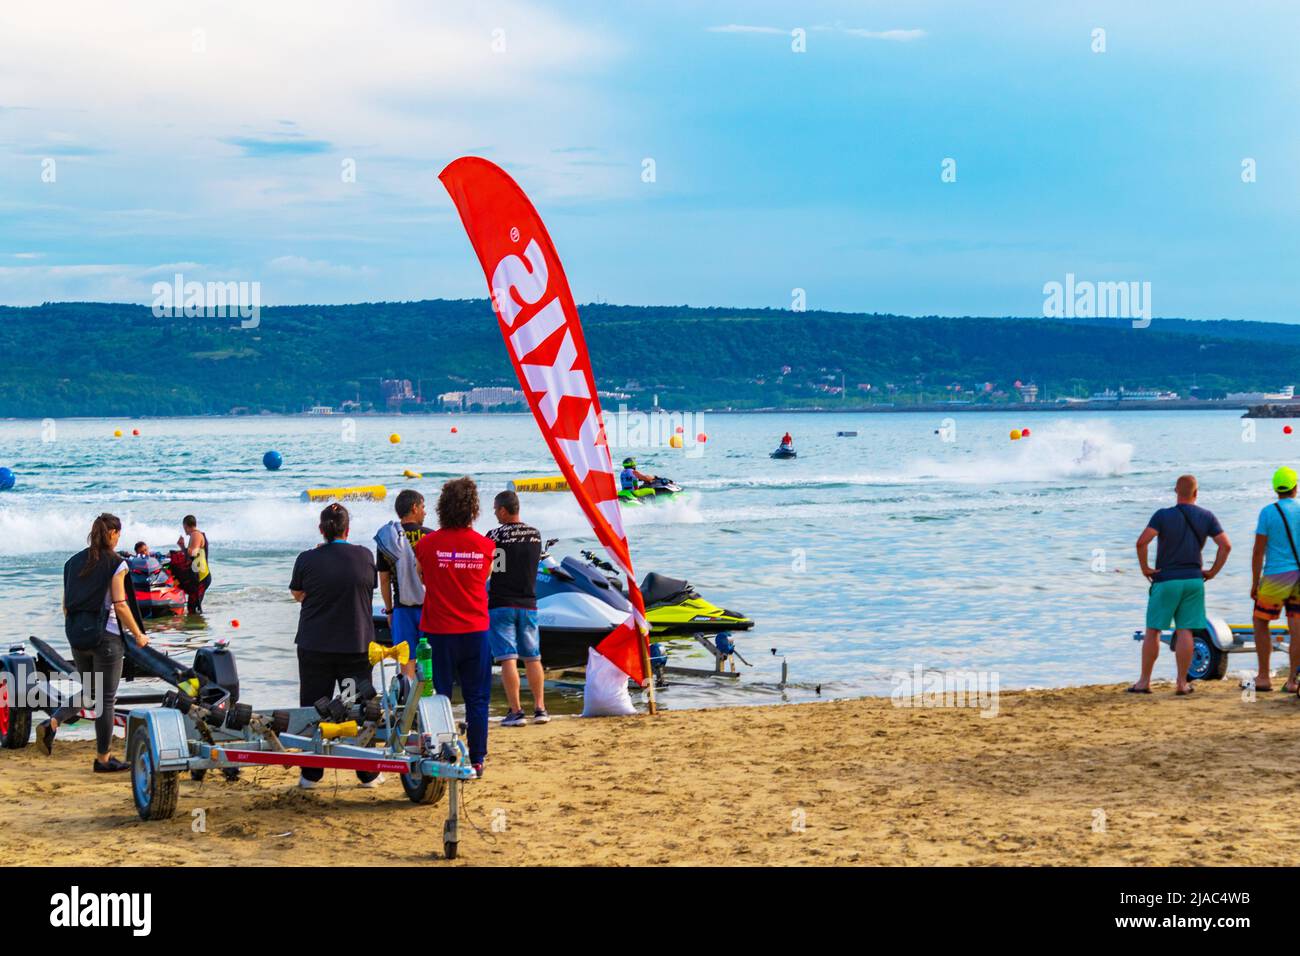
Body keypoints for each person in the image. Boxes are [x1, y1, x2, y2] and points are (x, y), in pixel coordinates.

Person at [38, 513, 150, 771]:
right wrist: (138, 634)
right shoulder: (116, 563)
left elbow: (66, 607)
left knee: (90, 692)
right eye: (118, 534)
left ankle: (52, 723)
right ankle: (103, 759)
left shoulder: (72, 563)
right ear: (113, 534)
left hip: (78, 636)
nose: (118, 538)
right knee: (106, 700)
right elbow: (120, 605)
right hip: (106, 638)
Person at [289, 503, 380, 789]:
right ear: (347, 529)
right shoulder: (364, 556)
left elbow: (297, 593)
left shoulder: (307, 558)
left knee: (314, 708)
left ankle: (312, 773)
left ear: (321, 530)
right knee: (360, 707)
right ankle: (366, 771)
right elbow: (368, 587)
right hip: (355, 644)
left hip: (315, 644)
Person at [414, 477, 494, 777]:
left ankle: (441, 753)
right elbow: (483, 579)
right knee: (477, 698)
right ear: (473, 509)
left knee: (438, 697)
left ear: (442, 507)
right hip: (475, 630)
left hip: (438, 631)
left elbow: (423, 578)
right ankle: (477, 758)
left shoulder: (426, 544)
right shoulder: (486, 546)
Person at [1132, 474, 1231, 695]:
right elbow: (1226, 546)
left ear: (1176, 491)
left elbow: (1141, 542)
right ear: (1196, 493)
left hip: (1166, 580)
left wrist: (1145, 568)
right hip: (1194, 581)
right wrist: (1213, 572)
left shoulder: (1162, 516)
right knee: (1185, 630)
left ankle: (1144, 682)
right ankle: (1181, 683)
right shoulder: (1207, 516)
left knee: (1154, 630)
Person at [486, 490, 548, 726]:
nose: (494, 513)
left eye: (495, 509)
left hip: (502, 602)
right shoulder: (534, 534)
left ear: (503, 510)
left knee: (507, 658)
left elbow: (493, 568)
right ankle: (540, 708)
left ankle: (516, 711)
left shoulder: (494, 535)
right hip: (529, 602)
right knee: (533, 657)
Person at [1249, 466, 1300, 692]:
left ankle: (1263, 677)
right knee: (1297, 626)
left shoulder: (1268, 512)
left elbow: (1258, 551)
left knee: (1261, 622)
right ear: (1295, 488)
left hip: (1276, 575)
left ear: (1275, 489)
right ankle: (1292, 681)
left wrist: (1254, 582)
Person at [374, 489, 432, 679]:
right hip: (430, 608)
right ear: (414, 508)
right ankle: (431, 703)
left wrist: (389, 611)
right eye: (423, 507)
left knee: (407, 661)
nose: (425, 512)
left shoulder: (387, 538)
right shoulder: (431, 537)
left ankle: (409, 703)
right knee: (430, 658)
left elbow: (383, 579)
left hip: (402, 608)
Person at [177, 515, 211, 613]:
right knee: (192, 606)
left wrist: (182, 547)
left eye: (184, 528)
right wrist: (182, 547)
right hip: (199, 576)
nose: (185, 531)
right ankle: (197, 625)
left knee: (194, 607)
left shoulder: (195, 534)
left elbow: (193, 553)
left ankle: (198, 625)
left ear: (186, 525)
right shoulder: (196, 535)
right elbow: (192, 554)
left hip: (201, 577)